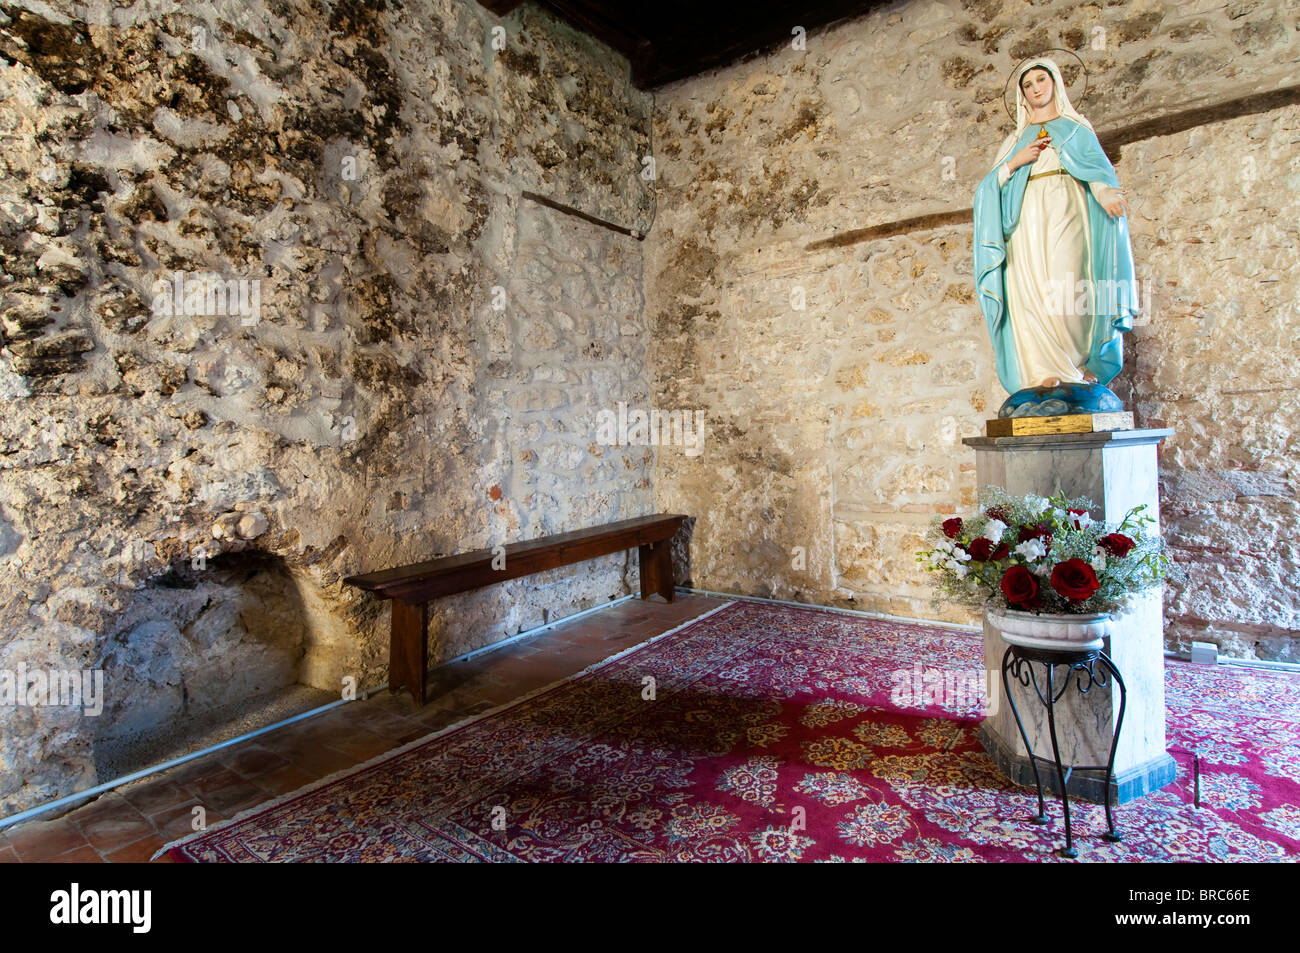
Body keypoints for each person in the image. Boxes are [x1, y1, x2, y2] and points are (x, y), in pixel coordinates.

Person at [973, 57, 1140, 414]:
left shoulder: (1077, 130)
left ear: (1055, 83)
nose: (1036, 88)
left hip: (1067, 212)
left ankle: (1074, 367)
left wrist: (1103, 190)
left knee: (1068, 283)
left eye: (1041, 79)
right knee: (1028, 292)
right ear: (1021, 95)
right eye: (1028, 85)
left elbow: (1095, 169)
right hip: (1025, 223)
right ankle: (1042, 371)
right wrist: (1016, 162)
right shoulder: (1015, 140)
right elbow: (988, 190)